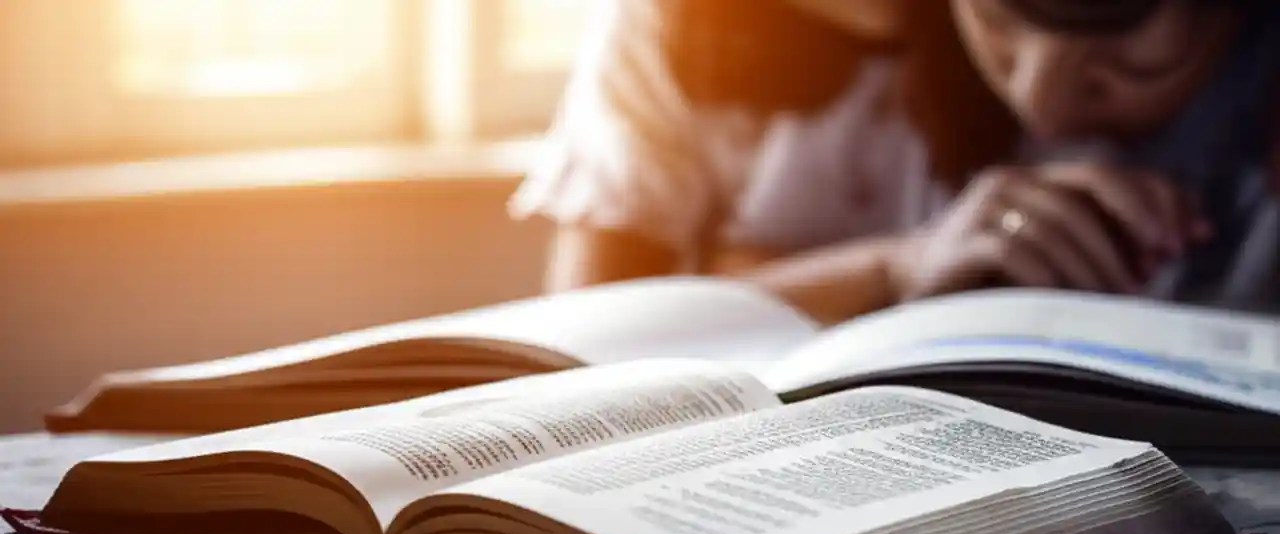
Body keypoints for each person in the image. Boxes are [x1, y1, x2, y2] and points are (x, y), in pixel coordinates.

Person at [512, 0, 1280, 323]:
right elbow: (589, 330)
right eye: (1003, 41)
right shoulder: (673, 30)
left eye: (1135, 68)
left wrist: (746, 272)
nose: (1041, 103)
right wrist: (894, 269)